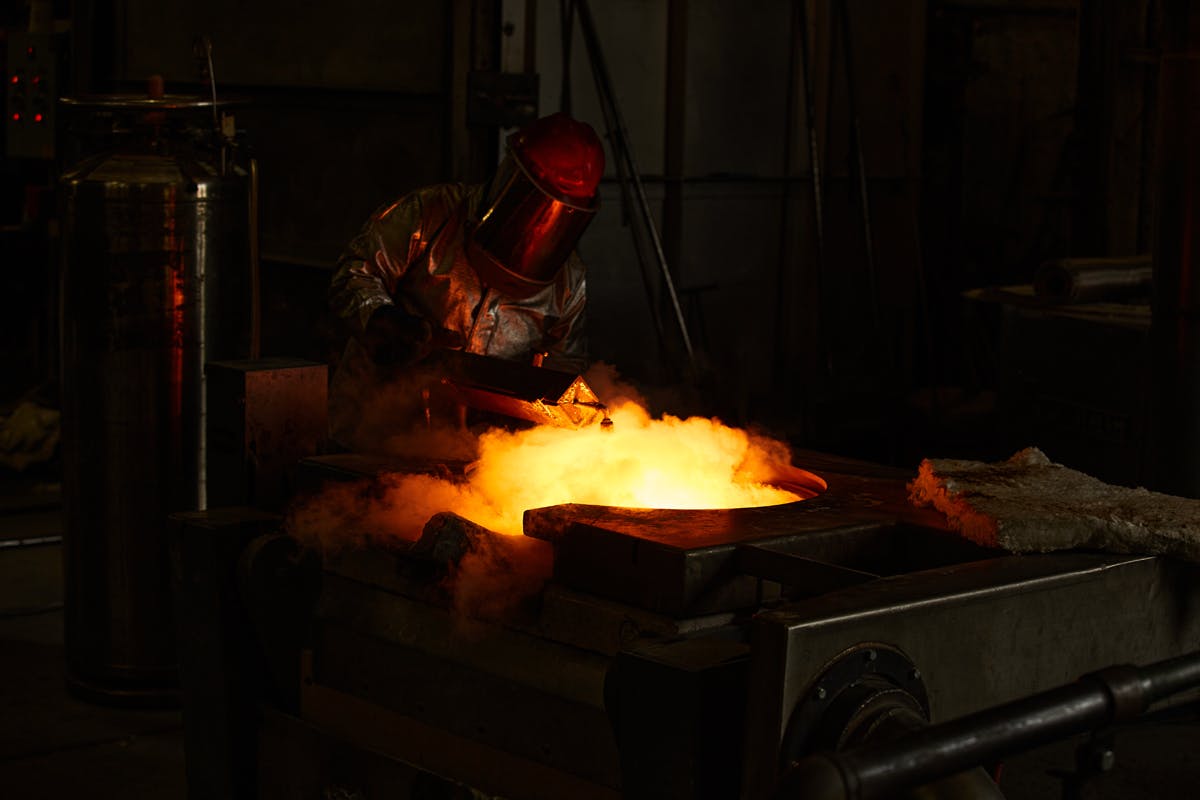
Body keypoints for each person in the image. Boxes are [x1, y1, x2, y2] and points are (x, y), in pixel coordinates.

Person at [327, 113, 605, 452]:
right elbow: (354, 274)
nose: (536, 226)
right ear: (511, 177)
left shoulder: (568, 281)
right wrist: (382, 321)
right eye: (534, 204)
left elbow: (563, 375)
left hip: (474, 453)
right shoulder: (429, 214)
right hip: (372, 430)